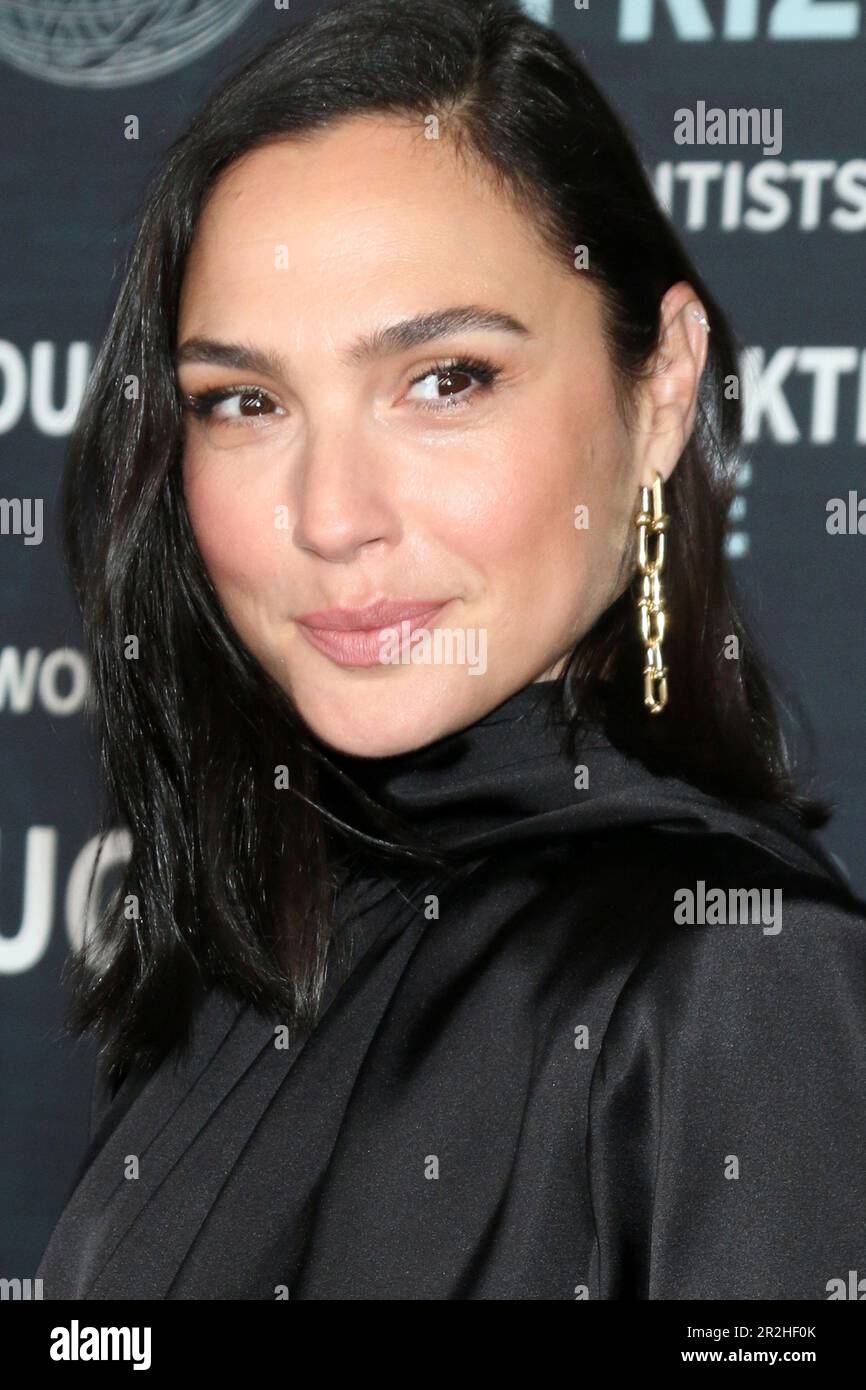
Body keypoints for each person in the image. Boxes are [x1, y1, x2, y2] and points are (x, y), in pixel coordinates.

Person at [37, 0, 866, 1300]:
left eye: (444, 380)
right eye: (242, 402)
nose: (329, 514)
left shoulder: (738, 980)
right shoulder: (256, 939)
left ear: (659, 396)